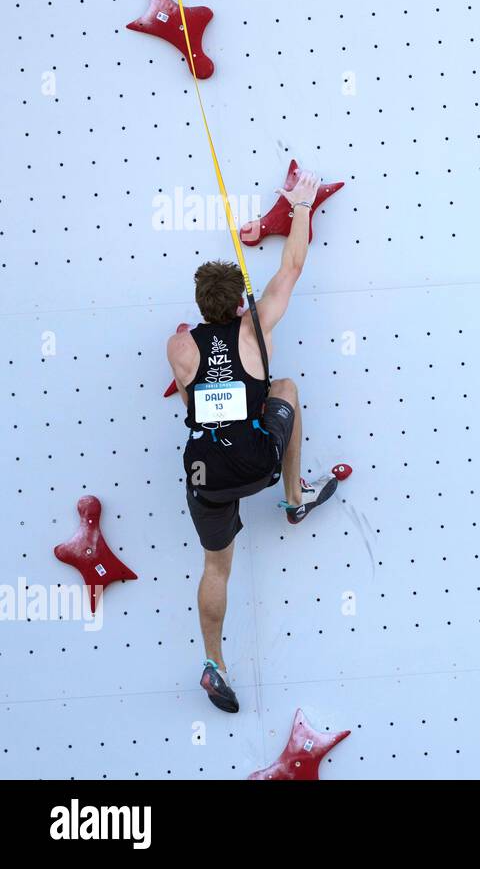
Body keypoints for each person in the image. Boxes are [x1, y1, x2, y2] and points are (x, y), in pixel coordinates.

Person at [167, 170, 339, 712]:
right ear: (239, 302)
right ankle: (293, 498)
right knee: (285, 388)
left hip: (206, 477)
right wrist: (302, 205)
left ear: (199, 308)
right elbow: (292, 266)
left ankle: (213, 662)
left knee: (216, 567)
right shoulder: (255, 329)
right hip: (256, 462)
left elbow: (193, 379)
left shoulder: (178, 347)